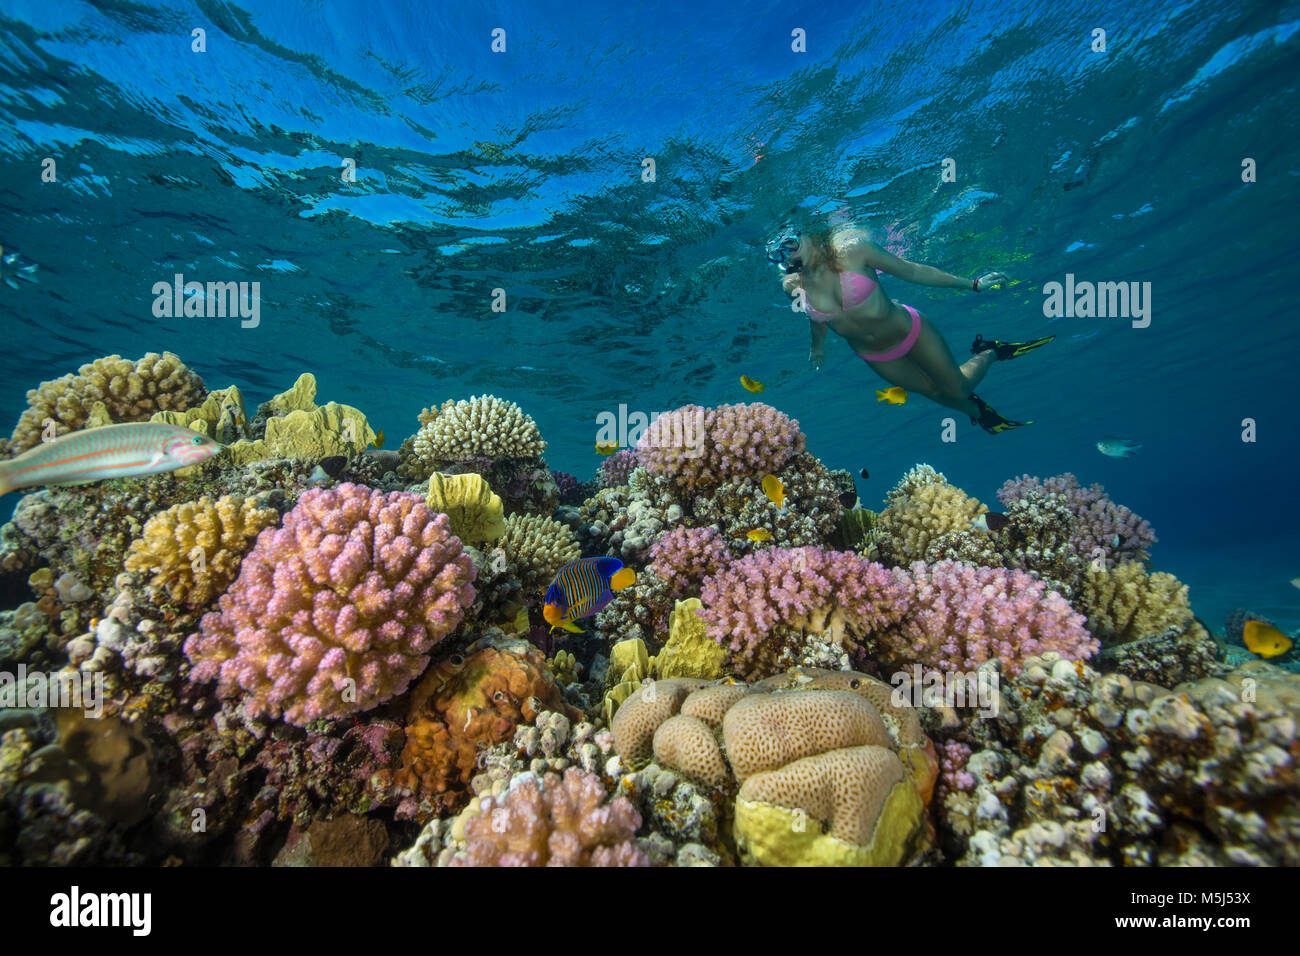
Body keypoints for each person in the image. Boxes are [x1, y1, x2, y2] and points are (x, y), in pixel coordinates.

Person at [767, 224, 1053, 433]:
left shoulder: (853, 251)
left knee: (958, 388)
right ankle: (979, 412)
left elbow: (912, 271)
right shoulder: (791, 286)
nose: (788, 251)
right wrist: (817, 348)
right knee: (937, 393)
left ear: (804, 232)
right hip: (876, 357)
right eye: (780, 252)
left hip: (910, 331)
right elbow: (816, 319)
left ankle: (990, 352)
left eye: (790, 241)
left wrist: (972, 284)